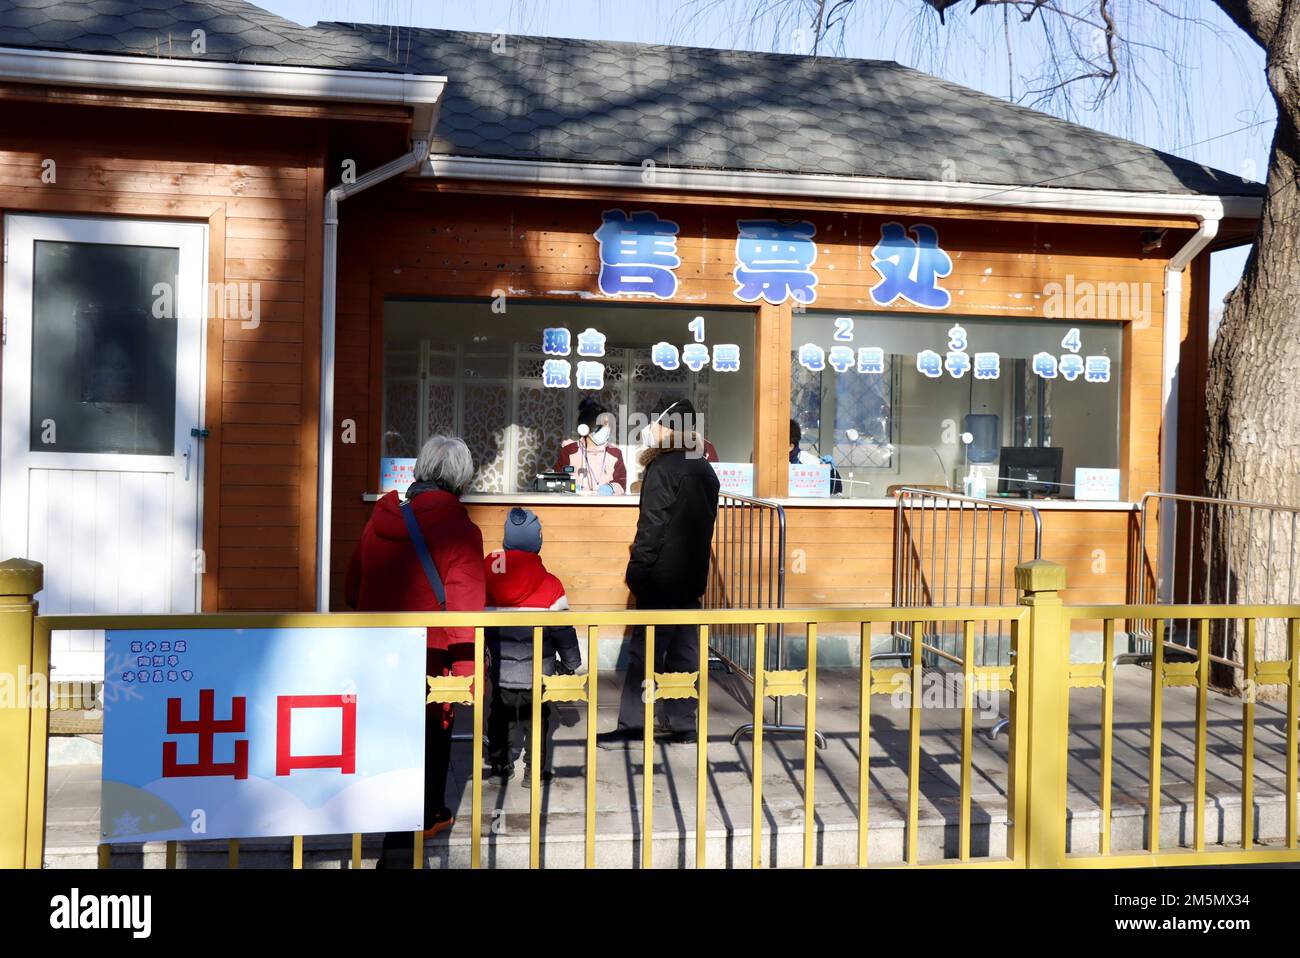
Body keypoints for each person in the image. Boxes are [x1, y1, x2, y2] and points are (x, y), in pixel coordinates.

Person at [344, 434, 486, 866]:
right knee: (428, 743)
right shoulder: (461, 530)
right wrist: (467, 675)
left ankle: (386, 814)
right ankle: (417, 827)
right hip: (430, 663)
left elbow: (352, 589)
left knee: (388, 737)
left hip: (376, 654)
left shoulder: (380, 519)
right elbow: (466, 611)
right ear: (461, 480)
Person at [599, 398, 720, 748]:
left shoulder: (663, 468)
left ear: (671, 429)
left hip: (661, 576)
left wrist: (637, 570)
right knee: (684, 649)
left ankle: (635, 723)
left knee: (645, 652)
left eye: (659, 424)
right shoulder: (704, 469)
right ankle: (682, 722)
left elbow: (651, 527)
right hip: (692, 576)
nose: (652, 430)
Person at [482, 508, 583, 785]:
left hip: (501, 668)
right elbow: (563, 629)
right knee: (538, 719)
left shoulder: (489, 573)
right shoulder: (550, 583)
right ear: (537, 541)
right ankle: (534, 772)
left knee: (500, 716)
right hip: (539, 669)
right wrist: (572, 662)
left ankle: (500, 769)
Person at [554, 398, 628, 493]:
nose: (607, 429)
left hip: (605, 505)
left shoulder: (615, 453)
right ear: (586, 427)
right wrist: (568, 487)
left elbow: (621, 482)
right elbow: (557, 479)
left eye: (608, 425)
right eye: (603, 425)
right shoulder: (568, 451)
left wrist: (611, 487)